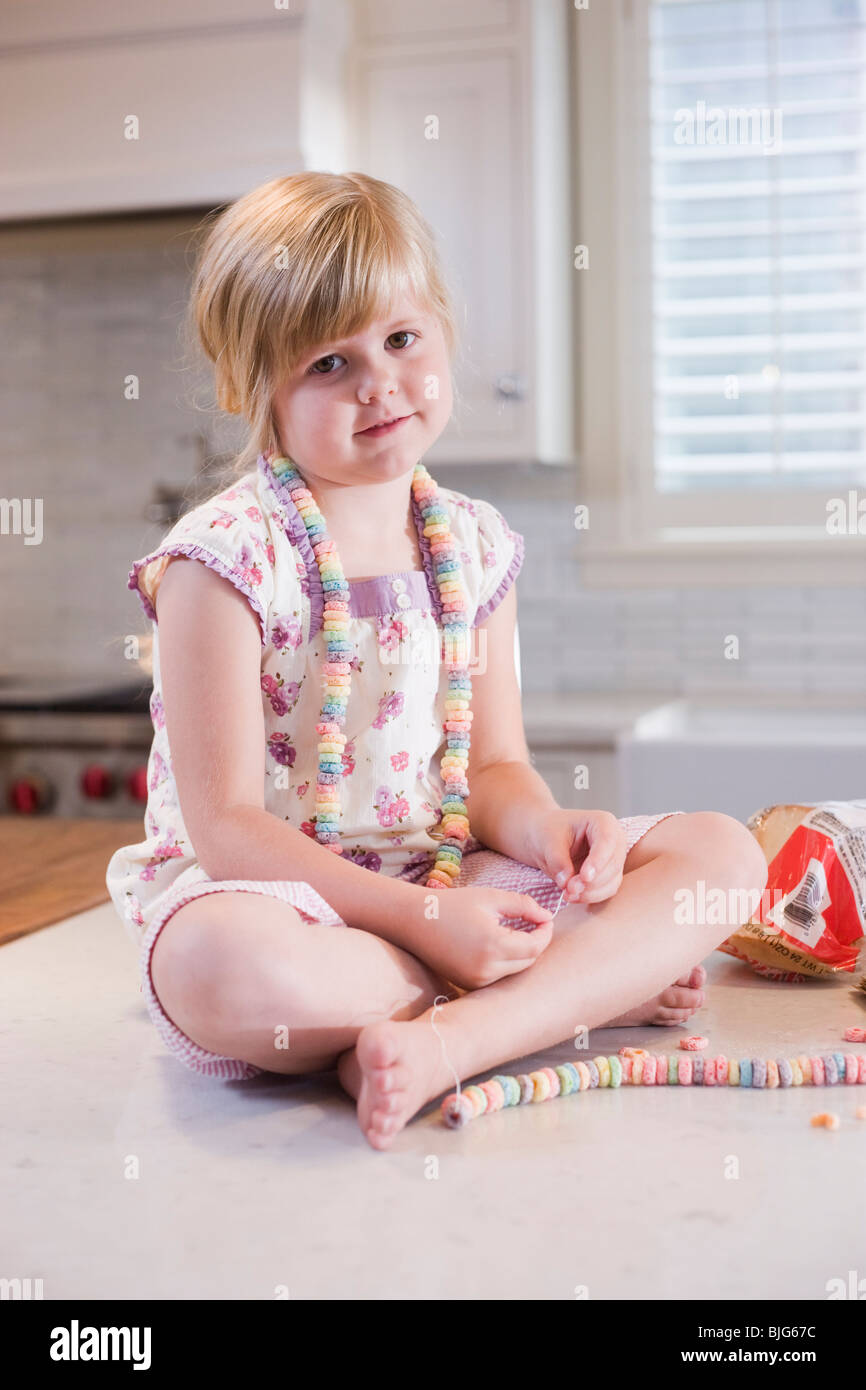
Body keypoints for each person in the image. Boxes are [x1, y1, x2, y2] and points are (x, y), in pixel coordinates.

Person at [106, 171, 768, 1150]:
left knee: (722, 855)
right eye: (329, 362)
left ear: (443, 333)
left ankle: (450, 1033)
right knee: (223, 969)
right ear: (256, 386)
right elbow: (229, 828)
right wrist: (422, 920)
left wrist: (544, 830)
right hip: (278, 898)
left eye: (401, 339)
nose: (379, 381)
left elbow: (491, 768)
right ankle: (563, 992)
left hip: (450, 871)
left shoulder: (473, 544)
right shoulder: (222, 559)